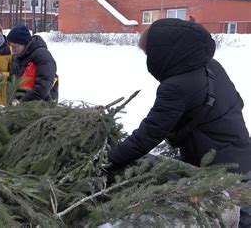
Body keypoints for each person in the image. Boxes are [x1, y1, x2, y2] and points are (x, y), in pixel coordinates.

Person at [105, 18, 251, 226]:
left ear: (163, 53)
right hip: (243, 153)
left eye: (149, 54)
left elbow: (147, 137)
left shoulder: (176, 87)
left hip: (220, 170)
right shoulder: (211, 65)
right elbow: (237, 101)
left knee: (236, 217)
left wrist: (106, 163)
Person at [6, 25, 58, 103]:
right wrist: (12, 99)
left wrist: (22, 103)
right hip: (19, 108)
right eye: (11, 47)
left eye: (15, 47)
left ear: (24, 43)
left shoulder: (42, 55)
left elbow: (43, 87)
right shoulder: (17, 56)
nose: (13, 50)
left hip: (41, 107)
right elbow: (11, 81)